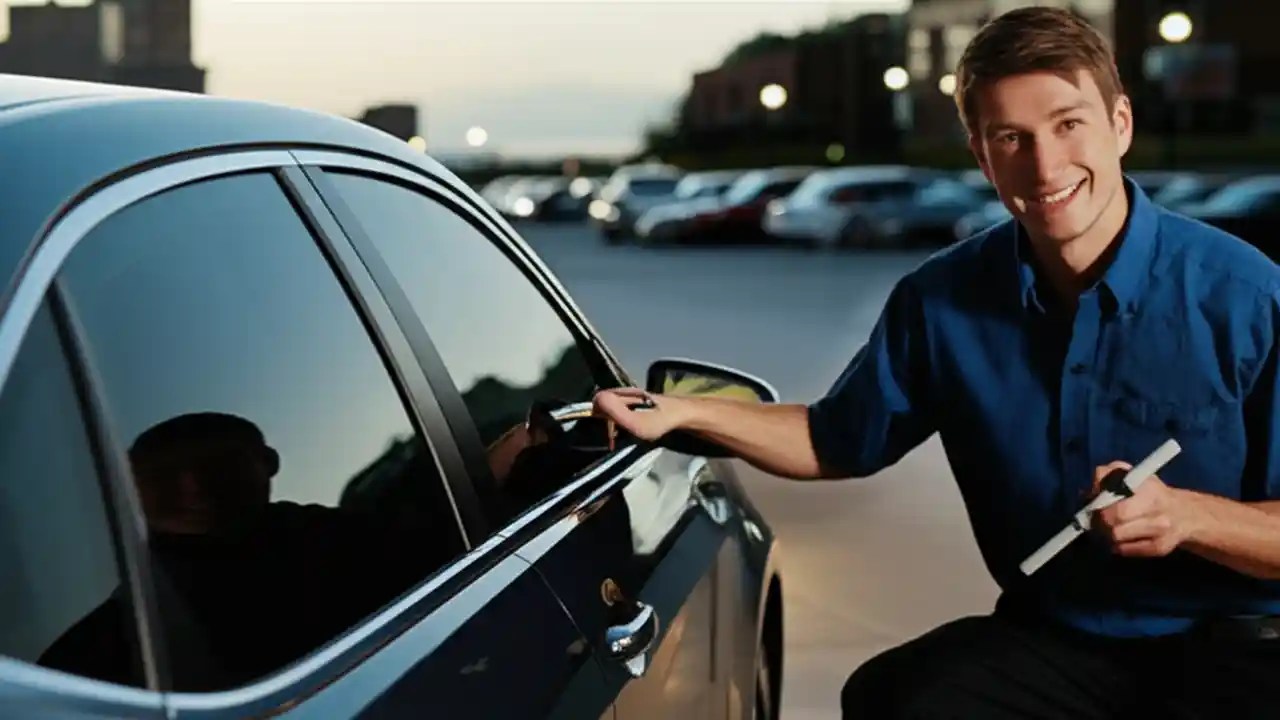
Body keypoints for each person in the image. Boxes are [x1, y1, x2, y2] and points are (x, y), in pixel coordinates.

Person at [593, 7, 1280, 718]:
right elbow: (835, 440)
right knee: (898, 698)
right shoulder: (941, 299)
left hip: (1240, 648)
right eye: (1011, 137)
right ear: (981, 155)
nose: (1044, 165)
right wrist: (681, 412)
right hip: (1058, 641)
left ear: (1121, 125)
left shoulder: (1246, 296)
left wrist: (1188, 518)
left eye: (1069, 125)